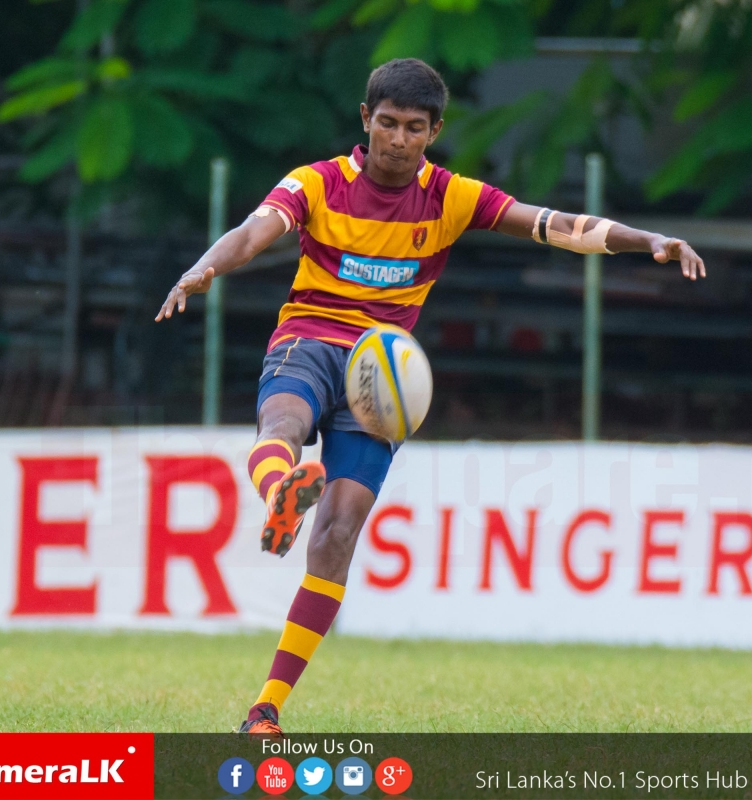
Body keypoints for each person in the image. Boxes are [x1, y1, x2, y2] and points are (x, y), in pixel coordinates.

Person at [155, 58, 706, 735]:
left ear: (433, 131)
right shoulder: (317, 183)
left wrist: (644, 238)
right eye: (386, 123)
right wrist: (205, 266)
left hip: (384, 377)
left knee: (336, 536)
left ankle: (266, 708)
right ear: (366, 119)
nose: (397, 139)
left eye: (414, 128)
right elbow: (253, 231)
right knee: (286, 417)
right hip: (312, 337)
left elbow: (554, 224)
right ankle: (280, 491)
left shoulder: (450, 197)